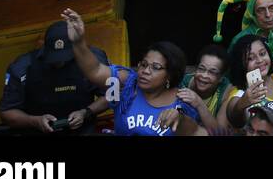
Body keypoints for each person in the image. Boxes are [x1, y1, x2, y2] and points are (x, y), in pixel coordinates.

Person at [59, 9, 204, 137]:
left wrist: (181, 119)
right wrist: (78, 42)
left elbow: (199, 132)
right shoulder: (129, 84)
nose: (145, 71)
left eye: (155, 67)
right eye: (144, 64)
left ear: (170, 75)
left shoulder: (182, 102)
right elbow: (95, 71)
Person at [0, 21, 111, 135]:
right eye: (54, 58)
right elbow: (7, 112)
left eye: (64, 58)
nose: (59, 62)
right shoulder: (23, 67)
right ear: (44, 48)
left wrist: (86, 112)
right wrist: (35, 121)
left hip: (82, 130)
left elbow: (112, 94)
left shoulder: (92, 60)